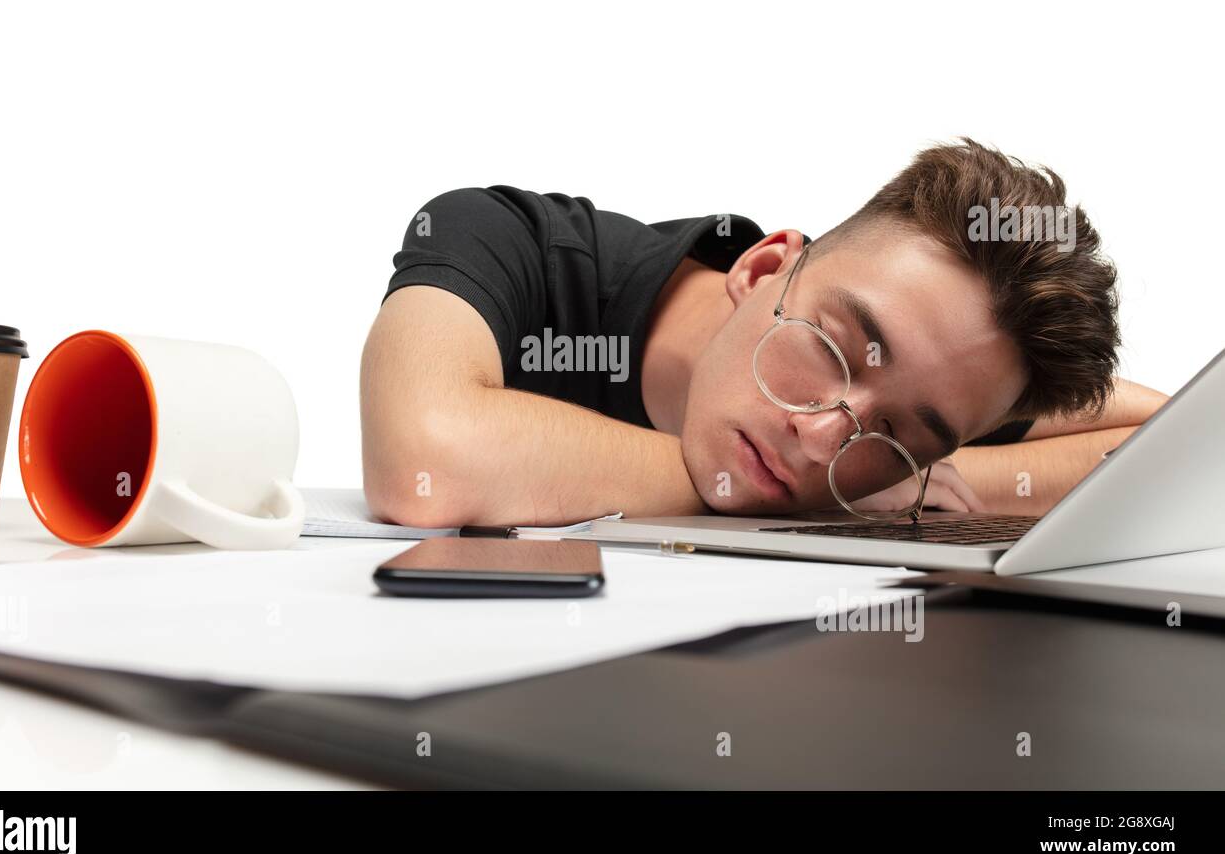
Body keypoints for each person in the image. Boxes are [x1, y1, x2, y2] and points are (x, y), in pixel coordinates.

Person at [360, 139, 1167, 526]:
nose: (823, 443)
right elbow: (424, 456)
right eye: (830, 349)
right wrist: (811, 502)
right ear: (761, 268)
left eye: (898, 437)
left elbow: (1182, 433)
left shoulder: (941, 378)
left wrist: (937, 481)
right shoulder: (508, 242)